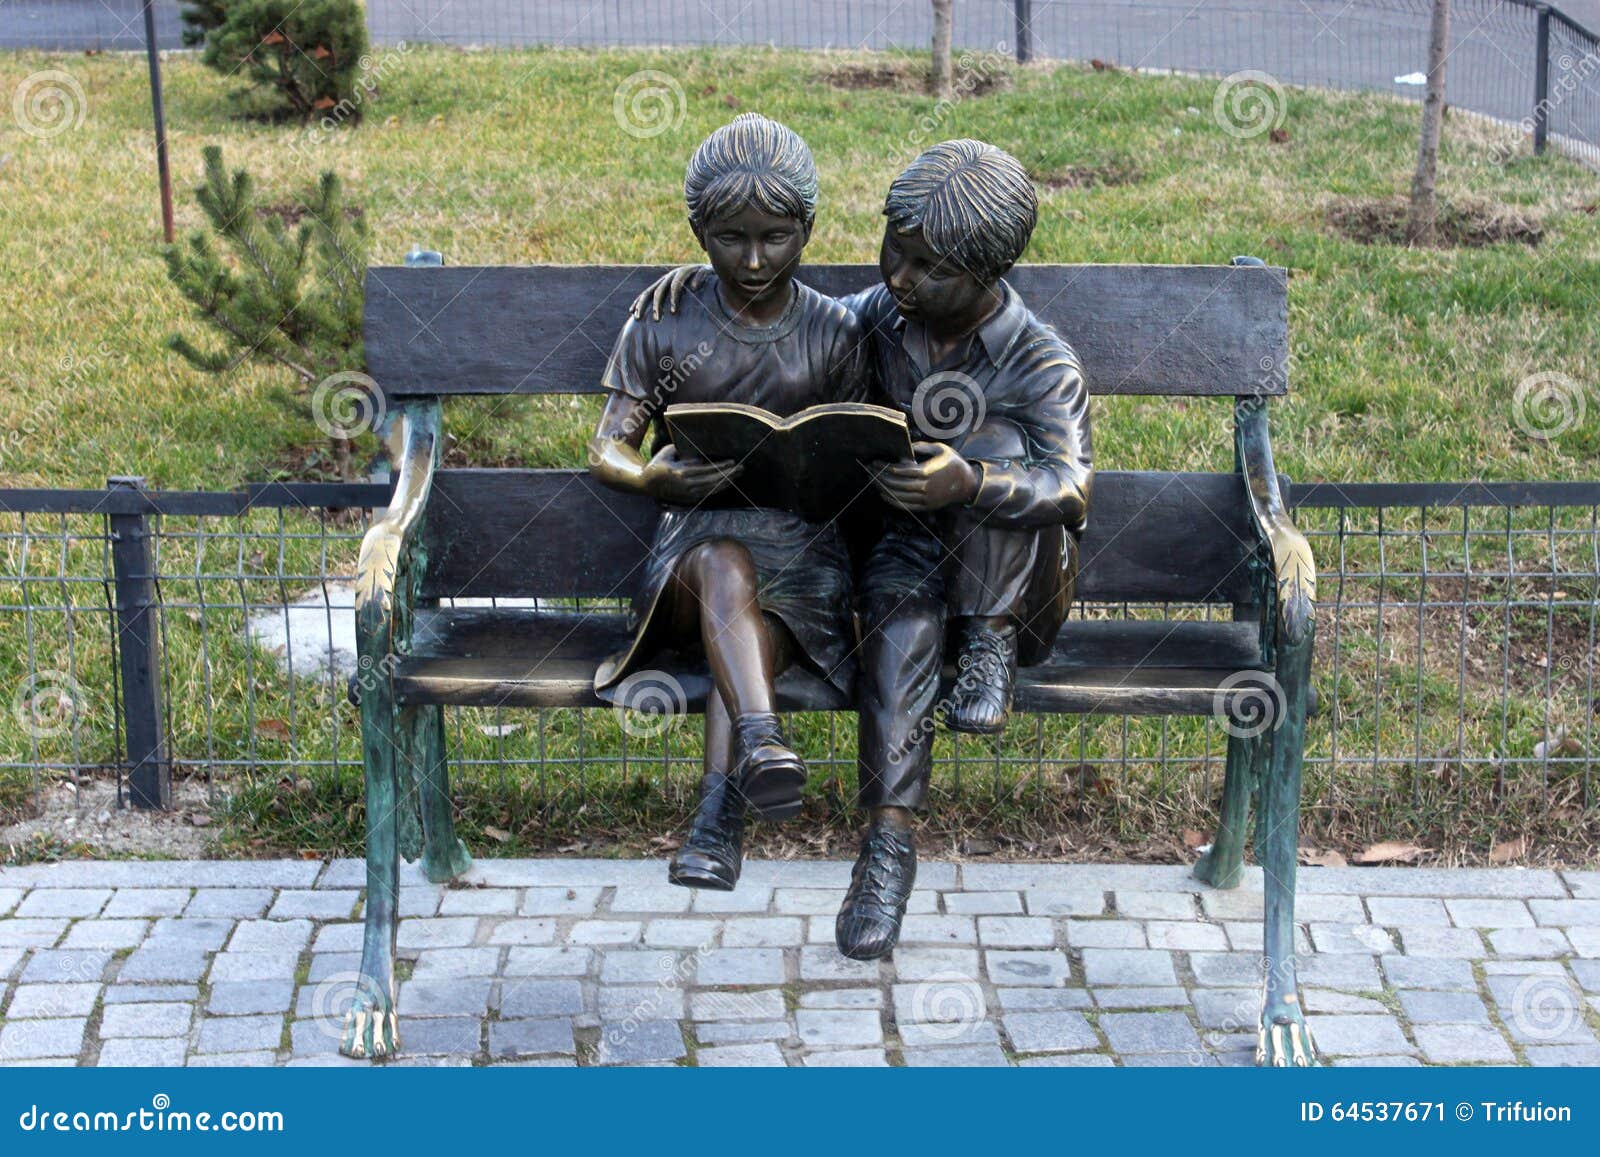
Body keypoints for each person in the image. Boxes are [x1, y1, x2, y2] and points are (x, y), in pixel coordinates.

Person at [631, 139, 1092, 959]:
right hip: (906, 556)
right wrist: (697, 284)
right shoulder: (879, 317)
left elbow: (1072, 487)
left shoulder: (1039, 361)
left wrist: (972, 482)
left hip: (1018, 589)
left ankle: (986, 644)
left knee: (992, 447)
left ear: (989, 273)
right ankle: (887, 848)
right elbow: (778, 299)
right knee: (901, 623)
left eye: (929, 270)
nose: (901, 279)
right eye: (895, 252)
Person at [589, 113, 871, 893]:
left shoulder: (836, 331)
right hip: (695, 555)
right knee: (724, 568)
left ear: (808, 228)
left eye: (775, 238)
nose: (752, 260)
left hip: (803, 567)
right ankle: (762, 741)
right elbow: (607, 445)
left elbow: (860, 453)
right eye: (729, 239)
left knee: (743, 645)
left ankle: (717, 821)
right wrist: (649, 479)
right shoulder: (665, 318)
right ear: (697, 232)